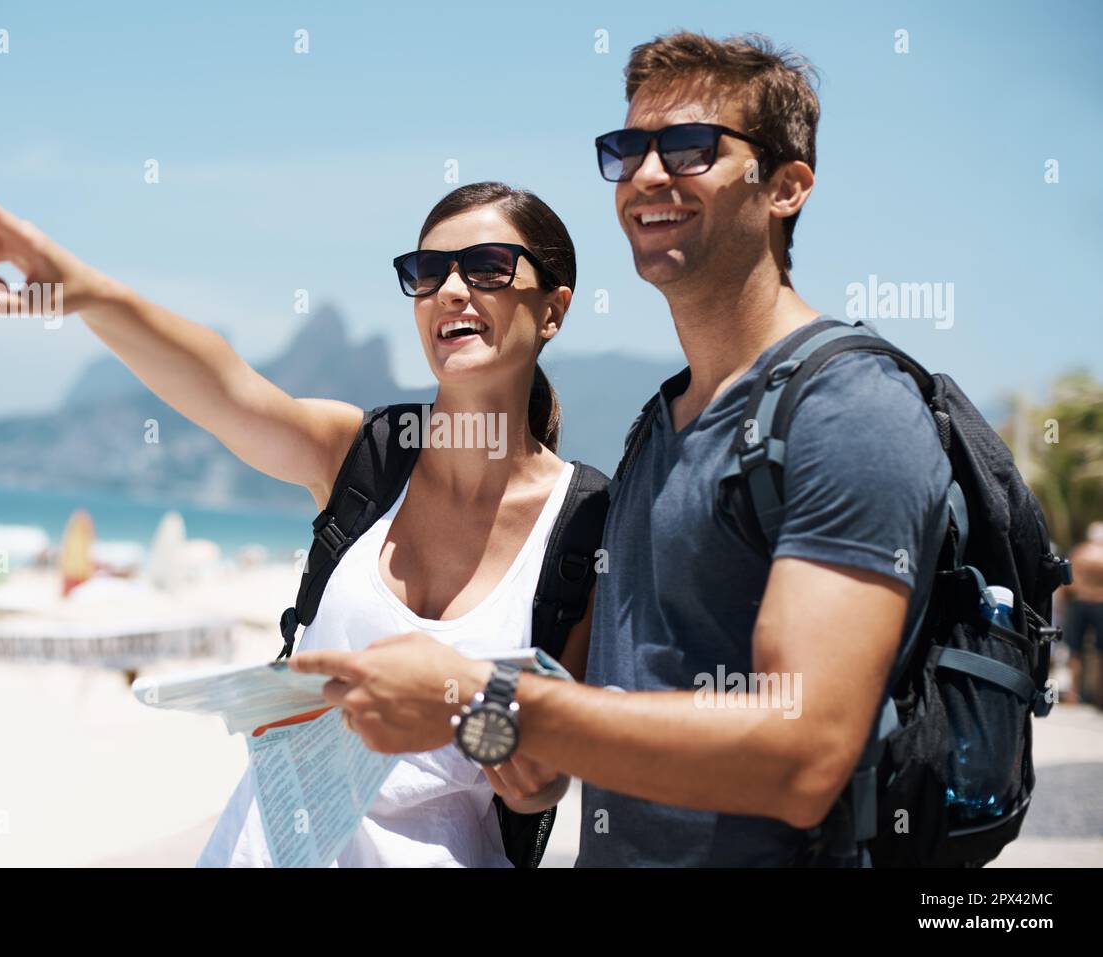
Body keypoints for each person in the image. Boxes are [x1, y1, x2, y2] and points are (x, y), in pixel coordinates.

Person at [289, 31, 954, 866]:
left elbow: (806, 750)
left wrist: (472, 692)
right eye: (626, 149)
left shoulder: (849, 408)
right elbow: (588, 734)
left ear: (786, 186)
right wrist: (502, 739)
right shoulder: (656, 433)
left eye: (688, 148)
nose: (646, 174)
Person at [0, 176, 602, 866]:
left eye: (488, 266)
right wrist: (83, 293)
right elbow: (225, 387)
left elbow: (547, 778)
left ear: (553, 309)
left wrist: (518, 758)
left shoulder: (582, 523)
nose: (452, 289)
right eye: (428, 271)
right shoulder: (363, 456)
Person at [1064, 522, 1103, 706]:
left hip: (1079, 601)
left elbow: (1068, 579)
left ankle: (1073, 692)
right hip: (1100, 603)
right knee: (1100, 651)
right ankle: (1099, 695)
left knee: (1075, 650)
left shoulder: (1080, 552)